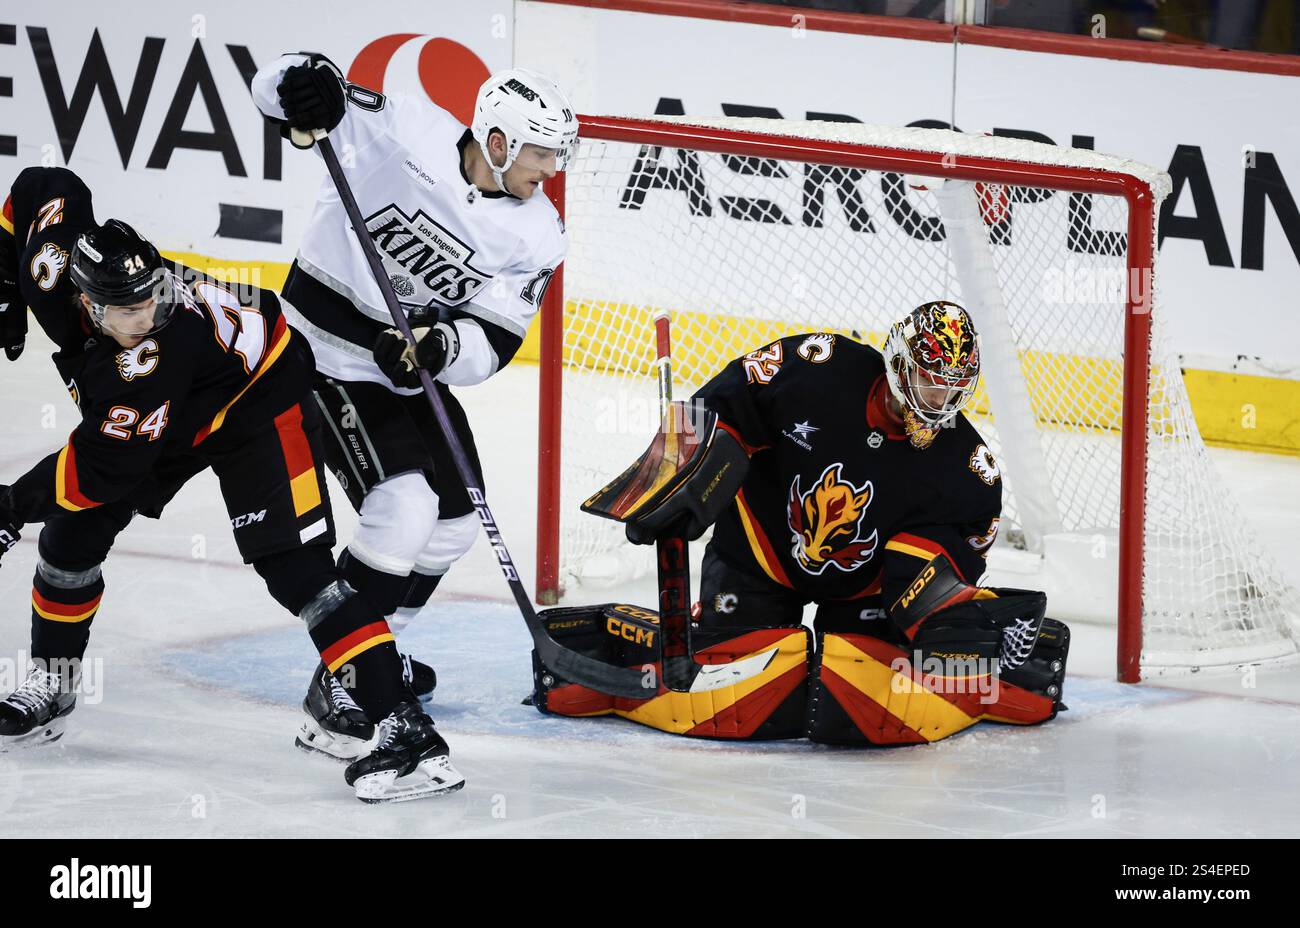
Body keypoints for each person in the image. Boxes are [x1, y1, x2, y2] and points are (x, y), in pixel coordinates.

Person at [0, 195, 461, 801]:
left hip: (263, 402)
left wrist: (7, 510)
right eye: (132, 310)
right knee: (70, 539)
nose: (150, 315)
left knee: (301, 577)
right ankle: (53, 683)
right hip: (175, 413)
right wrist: (9, 281)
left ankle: (407, 735)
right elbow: (43, 182)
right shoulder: (55, 260)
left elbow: (99, 471)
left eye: (156, 297)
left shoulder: (150, 359)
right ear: (85, 302)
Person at [538, 302, 1069, 745]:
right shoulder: (820, 366)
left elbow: (955, 555)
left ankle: (1003, 663)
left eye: (955, 389)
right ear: (899, 364)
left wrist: (948, 613)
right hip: (759, 552)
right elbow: (720, 402)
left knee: (860, 711)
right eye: (930, 385)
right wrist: (673, 472)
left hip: (865, 590)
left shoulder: (968, 468)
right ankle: (616, 647)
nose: (941, 403)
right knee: (743, 704)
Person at [250, 54, 575, 757]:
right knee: (403, 508)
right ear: (498, 142)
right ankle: (339, 683)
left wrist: (440, 347)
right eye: (543, 154)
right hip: (321, 351)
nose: (551, 171)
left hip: (404, 371)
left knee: (455, 523)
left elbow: (495, 337)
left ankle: (373, 654)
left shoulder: (538, 232)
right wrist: (296, 87)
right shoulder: (400, 131)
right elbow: (287, 85)